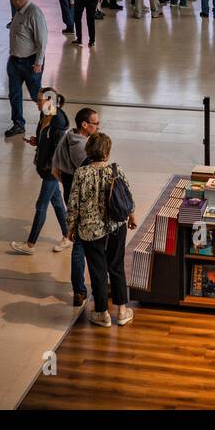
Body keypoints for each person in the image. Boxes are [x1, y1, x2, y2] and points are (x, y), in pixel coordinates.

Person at [66, 132, 137, 326]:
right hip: (115, 226)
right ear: (107, 151)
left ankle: (102, 313)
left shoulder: (81, 173)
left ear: (89, 150)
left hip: (90, 230)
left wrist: (70, 227)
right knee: (116, 266)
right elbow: (127, 196)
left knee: (97, 270)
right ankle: (122, 311)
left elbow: (73, 204)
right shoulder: (115, 170)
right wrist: (131, 216)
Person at [9, 88, 71, 255]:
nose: (36, 103)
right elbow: (47, 140)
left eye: (39, 100)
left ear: (49, 101)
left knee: (41, 205)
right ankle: (68, 236)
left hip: (52, 170)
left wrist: (51, 168)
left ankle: (30, 244)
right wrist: (38, 141)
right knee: (57, 203)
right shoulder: (45, 116)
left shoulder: (58, 123)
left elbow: (58, 151)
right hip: (45, 168)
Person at [52, 107, 100, 306]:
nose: (98, 126)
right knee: (92, 245)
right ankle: (96, 287)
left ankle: (78, 291)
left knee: (78, 244)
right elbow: (95, 176)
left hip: (71, 196)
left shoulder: (67, 136)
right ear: (84, 125)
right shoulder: (83, 148)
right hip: (86, 200)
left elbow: (55, 169)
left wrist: (67, 186)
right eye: (95, 123)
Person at [4, 0, 47, 138]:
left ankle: (52, 118)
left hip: (30, 62)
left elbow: (42, 41)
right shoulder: (18, 12)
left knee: (37, 94)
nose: (12, 1)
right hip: (15, 62)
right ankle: (18, 124)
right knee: (14, 94)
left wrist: (38, 63)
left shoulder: (34, 13)